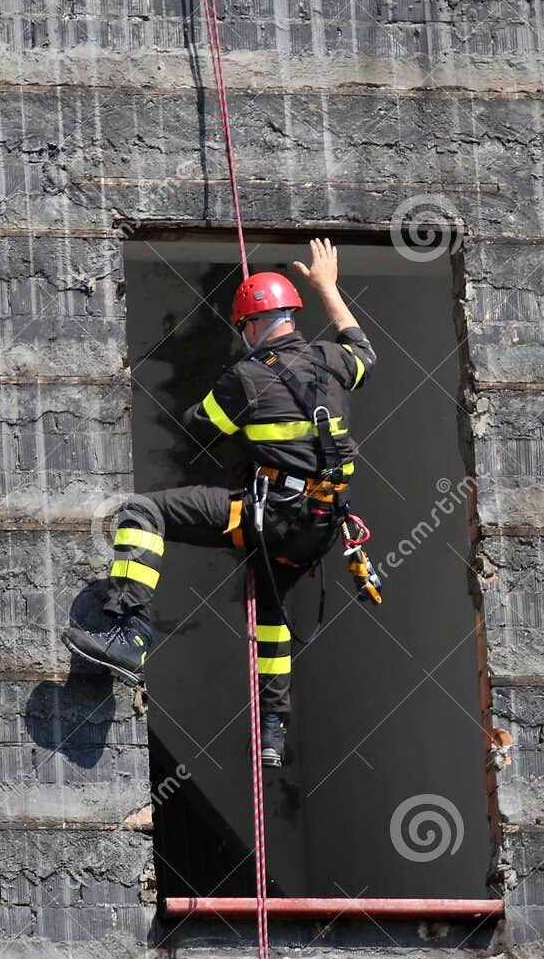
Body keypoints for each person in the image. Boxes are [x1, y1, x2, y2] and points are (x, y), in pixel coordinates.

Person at [59, 239, 376, 767]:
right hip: (320, 527)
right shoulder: (335, 361)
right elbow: (363, 347)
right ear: (292, 316)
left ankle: (127, 631)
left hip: (268, 517)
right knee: (273, 606)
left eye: (243, 328)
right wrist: (327, 285)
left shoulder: (245, 378)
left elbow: (199, 425)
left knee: (145, 511)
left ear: (252, 326)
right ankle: (273, 728)